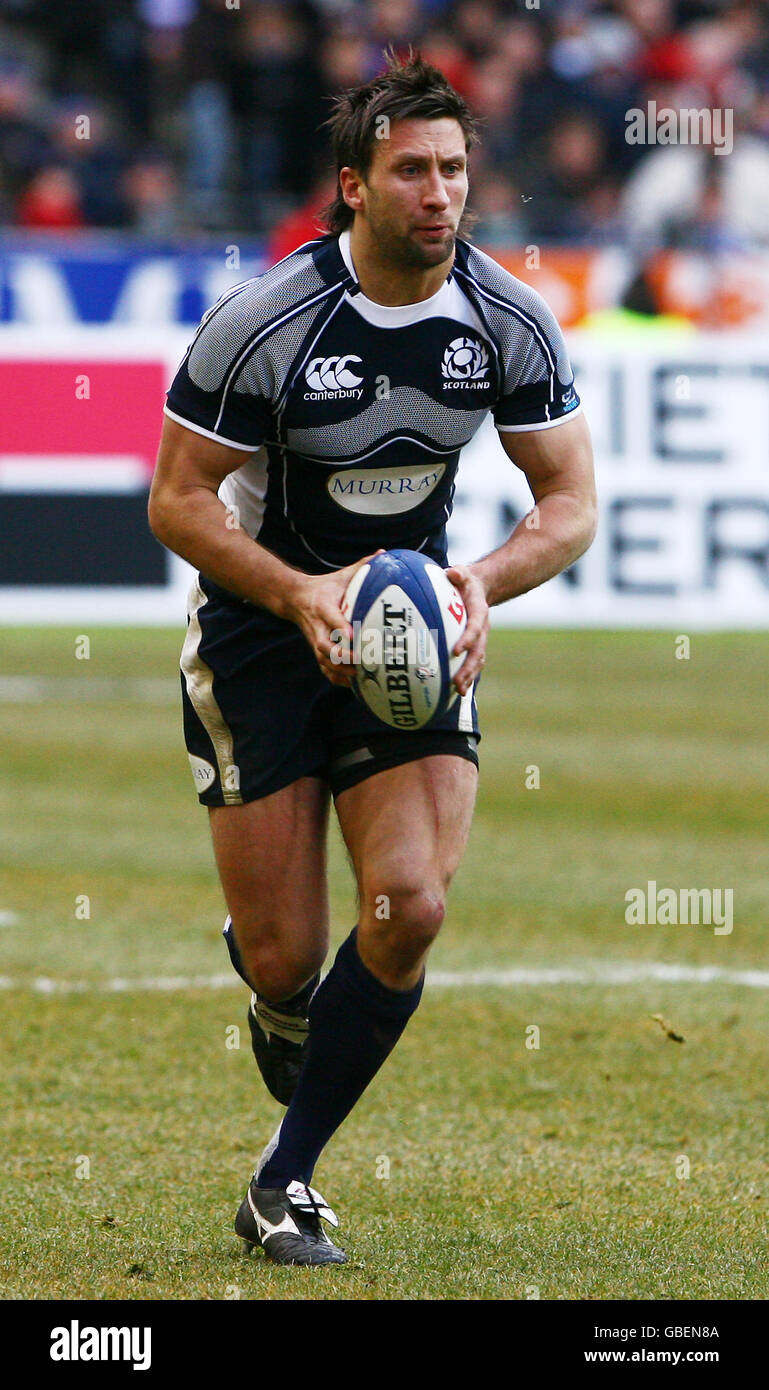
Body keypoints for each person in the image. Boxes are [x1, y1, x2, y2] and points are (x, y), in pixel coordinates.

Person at [149, 51, 596, 1267]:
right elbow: (178, 503)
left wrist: (477, 586)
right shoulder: (266, 321)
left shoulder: (502, 317)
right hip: (262, 628)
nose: (440, 192)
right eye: (411, 171)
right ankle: (277, 992)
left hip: (411, 628)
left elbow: (567, 500)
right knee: (292, 957)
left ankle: (282, 1182)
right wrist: (299, 595)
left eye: (454, 168)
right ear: (353, 185)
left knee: (410, 907)